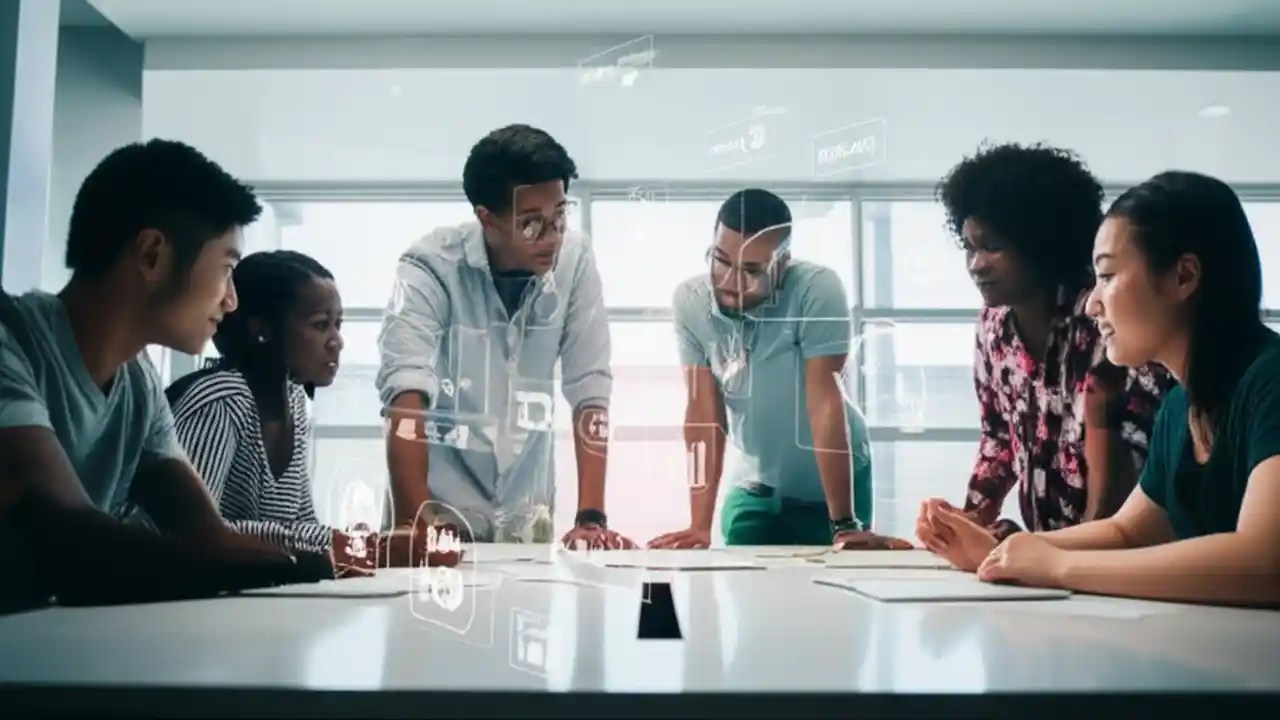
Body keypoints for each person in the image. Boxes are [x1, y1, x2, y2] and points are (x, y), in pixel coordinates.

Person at [0, 139, 332, 607]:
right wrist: (289, 565)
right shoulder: (10, 341)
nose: (232, 300)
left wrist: (321, 562)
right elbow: (69, 535)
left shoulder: (139, 384)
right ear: (152, 254)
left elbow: (210, 537)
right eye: (225, 269)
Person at [968, 171, 1280, 608]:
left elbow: (1266, 562)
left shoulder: (1271, 381)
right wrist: (999, 554)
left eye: (1108, 276)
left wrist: (1058, 567)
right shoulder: (1181, 406)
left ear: (1184, 276)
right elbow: (1128, 532)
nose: (1093, 303)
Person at [917, 142, 1174, 571]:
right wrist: (967, 521)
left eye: (992, 246)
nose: (977, 264)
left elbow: (1139, 454)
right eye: (969, 247)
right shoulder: (992, 327)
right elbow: (999, 437)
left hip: (1125, 555)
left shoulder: (1108, 316)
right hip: (1042, 556)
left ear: (1041, 241)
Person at [376, 124, 632, 550]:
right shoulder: (430, 266)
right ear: (486, 219)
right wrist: (413, 522)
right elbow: (405, 395)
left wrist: (591, 517)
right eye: (532, 224)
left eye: (560, 217)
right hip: (436, 509)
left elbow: (591, 390)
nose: (552, 237)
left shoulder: (575, 260)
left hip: (526, 519)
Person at [649, 189, 907, 549]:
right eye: (721, 261)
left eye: (752, 270)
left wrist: (845, 524)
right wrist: (698, 526)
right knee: (749, 582)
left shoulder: (817, 289)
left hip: (835, 484)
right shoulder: (690, 302)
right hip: (759, 483)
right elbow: (703, 416)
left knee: (833, 589)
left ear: (783, 264)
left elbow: (824, 402)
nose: (731, 282)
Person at [165, 250, 379, 577]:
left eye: (338, 325)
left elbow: (299, 525)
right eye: (321, 325)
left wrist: (362, 543)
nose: (337, 342)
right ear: (261, 330)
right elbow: (196, 531)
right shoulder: (220, 401)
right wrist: (349, 545)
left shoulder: (294, 401)